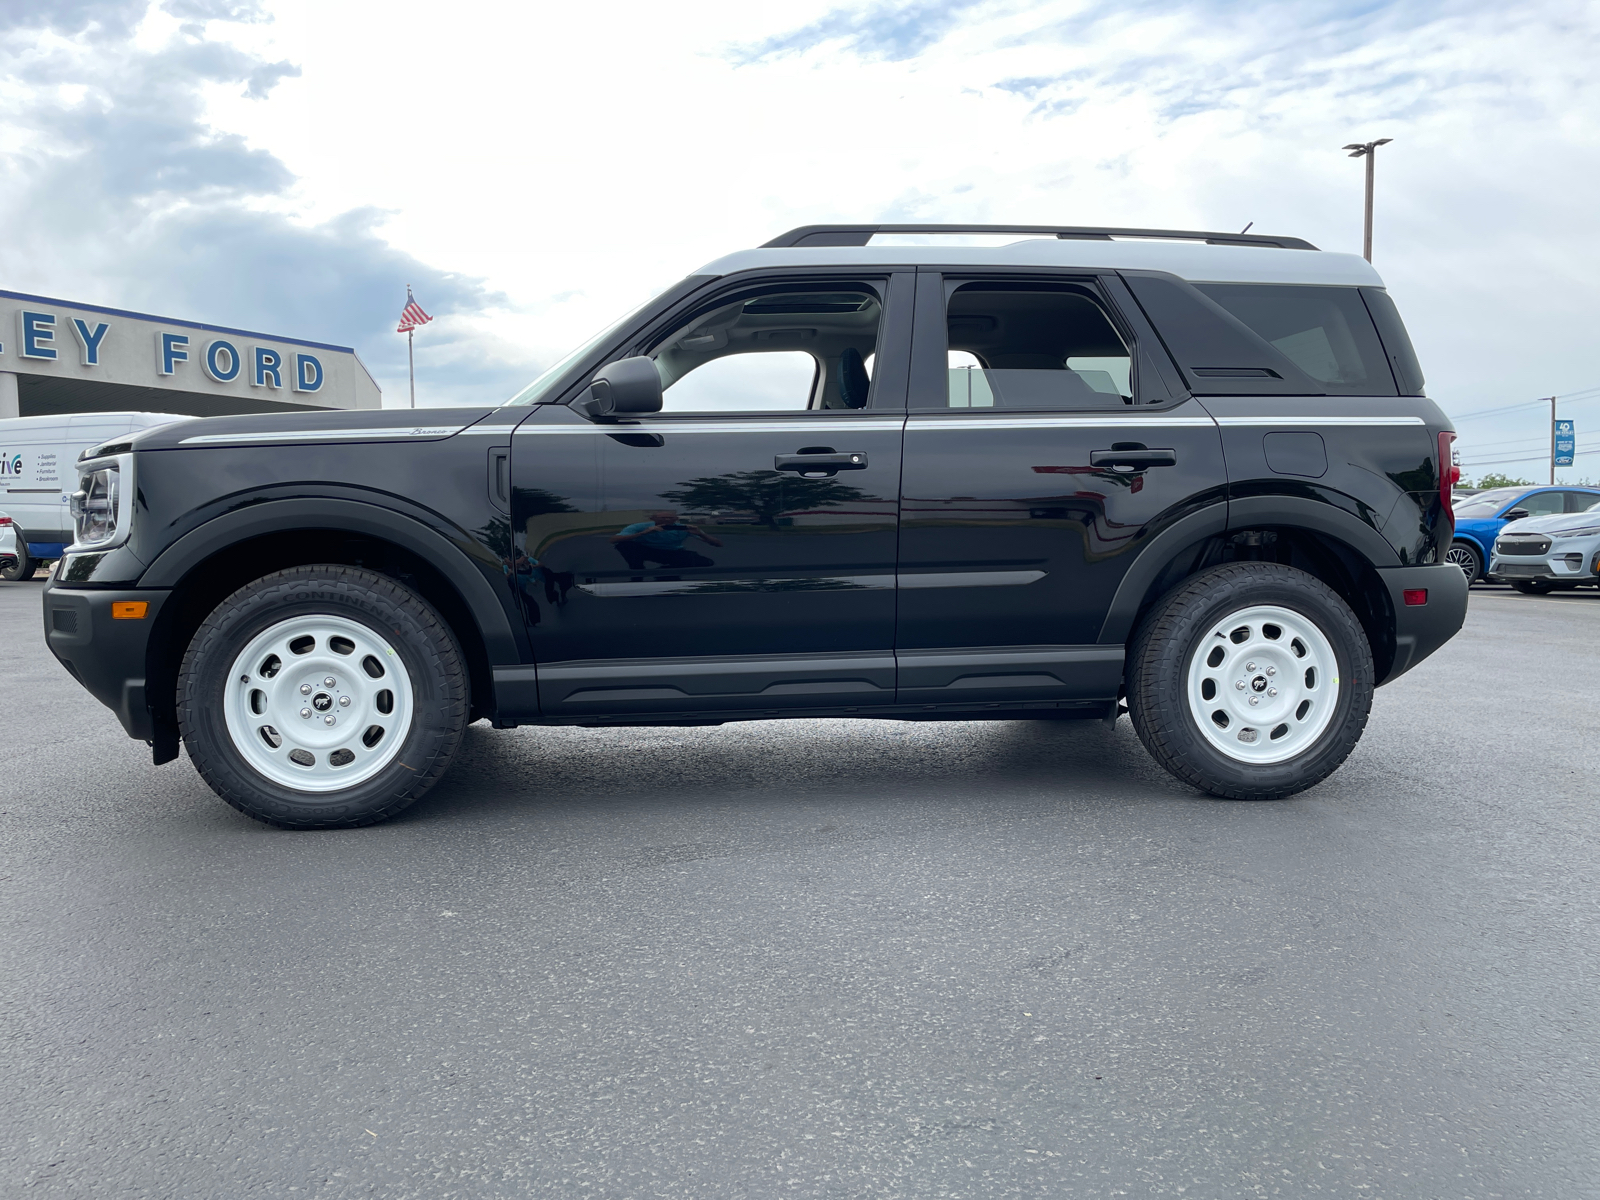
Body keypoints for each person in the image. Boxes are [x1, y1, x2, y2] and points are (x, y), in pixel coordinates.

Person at [610, 509, 723, 574]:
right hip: (648, 550)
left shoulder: (684, 528)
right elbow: (613, 540)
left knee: (707, 562)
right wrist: (643, 533)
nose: (667, 520)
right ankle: (637, 569)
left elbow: (718, 544)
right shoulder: (639, 527)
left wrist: (701, 534)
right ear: (653, 519)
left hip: (672, 552)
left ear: (676, 519)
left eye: (671, 518)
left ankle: (666, 570)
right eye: (663, 518)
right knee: (625, 545)